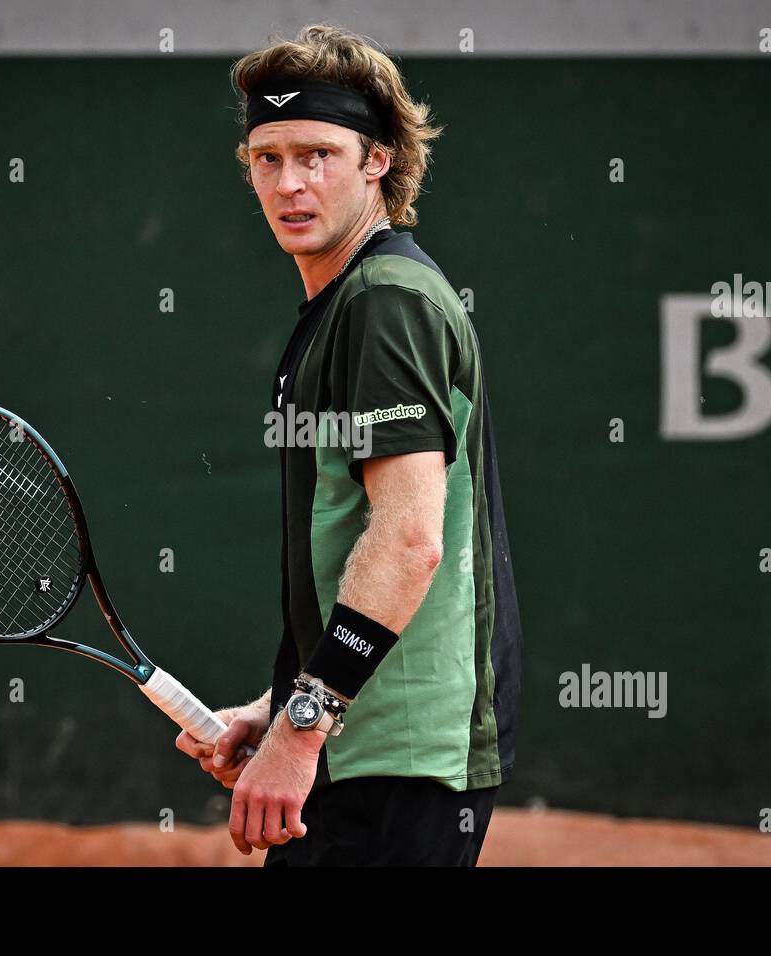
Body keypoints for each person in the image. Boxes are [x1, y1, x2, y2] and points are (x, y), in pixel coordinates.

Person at [175, 23, 522, 867]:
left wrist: (300, 730)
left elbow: (409, 539)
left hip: (397, 756)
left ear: (378, 161)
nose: (290, 184)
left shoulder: (384, 303)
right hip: (366, 741)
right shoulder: (348, 302)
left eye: (319, 154)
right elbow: (360, 543)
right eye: (268, 158)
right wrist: (283, 702)